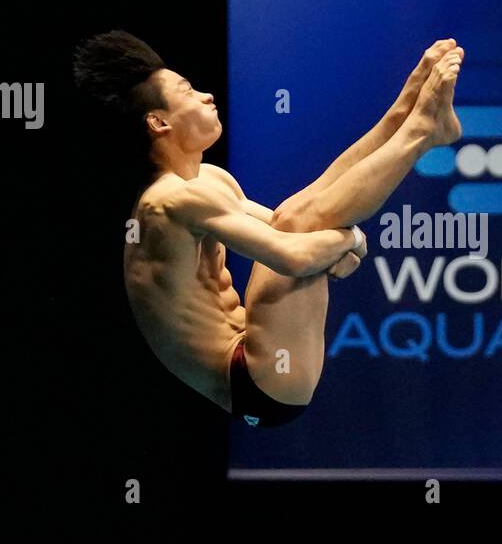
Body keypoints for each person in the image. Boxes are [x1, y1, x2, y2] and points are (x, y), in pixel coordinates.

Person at [73, 30, 463, 427]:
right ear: (158, 122)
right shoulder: (168, 201)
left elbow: (299, 220)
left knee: (294, 214)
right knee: (298, 223)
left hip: (264, 354)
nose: (206, 96)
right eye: (188, 91)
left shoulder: (208, 179)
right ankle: (421, 133)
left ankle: (406, 115)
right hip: (254, 382)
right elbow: (294, 255)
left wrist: (333, 246)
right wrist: (350, 239)